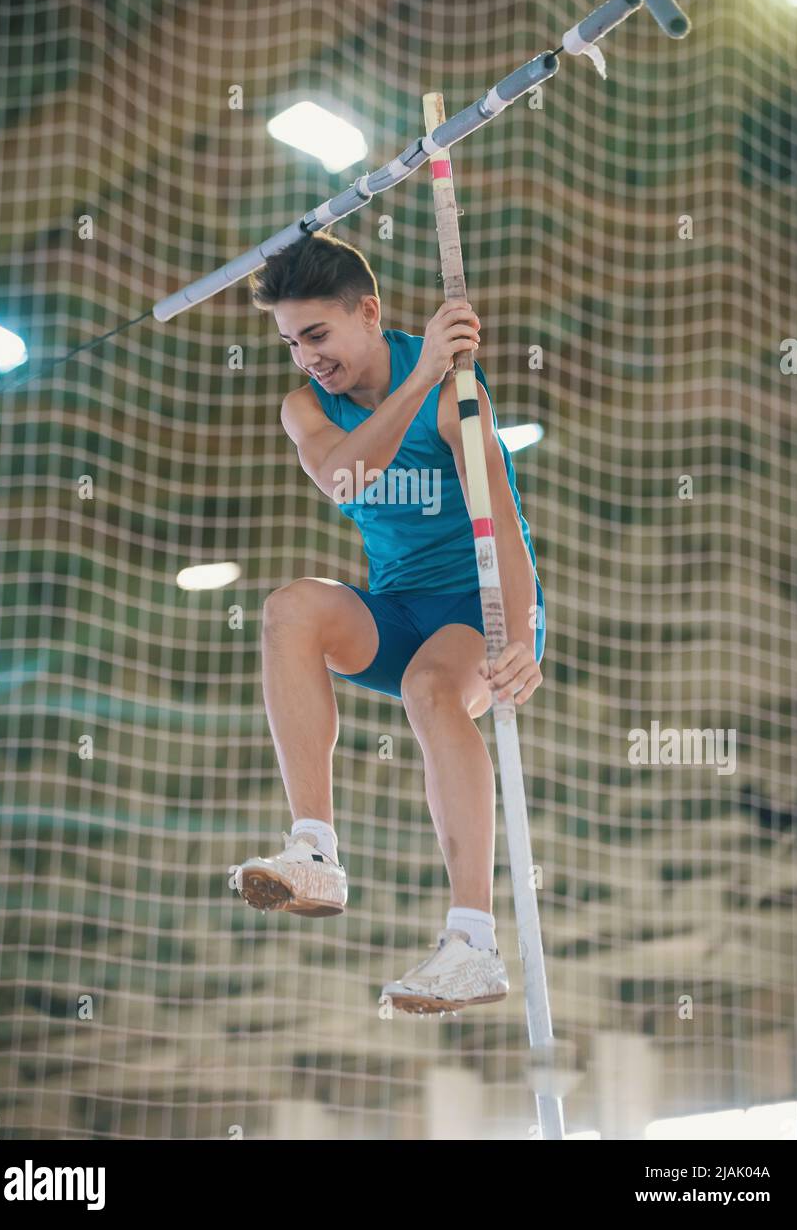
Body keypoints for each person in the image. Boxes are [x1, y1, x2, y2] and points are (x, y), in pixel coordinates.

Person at [227, 230, 545, 1014]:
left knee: (431, 690)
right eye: (291, 341)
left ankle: (472, 942)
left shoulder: (455, 390)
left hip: (478, 609)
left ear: (367, 312)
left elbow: (501, 517)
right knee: (290, 608)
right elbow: (344, 479)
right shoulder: (306, 405)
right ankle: (316, 851)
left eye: (318, 334)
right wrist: (418, 380)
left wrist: (520, 630)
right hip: (396, 608)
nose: (306, 356)